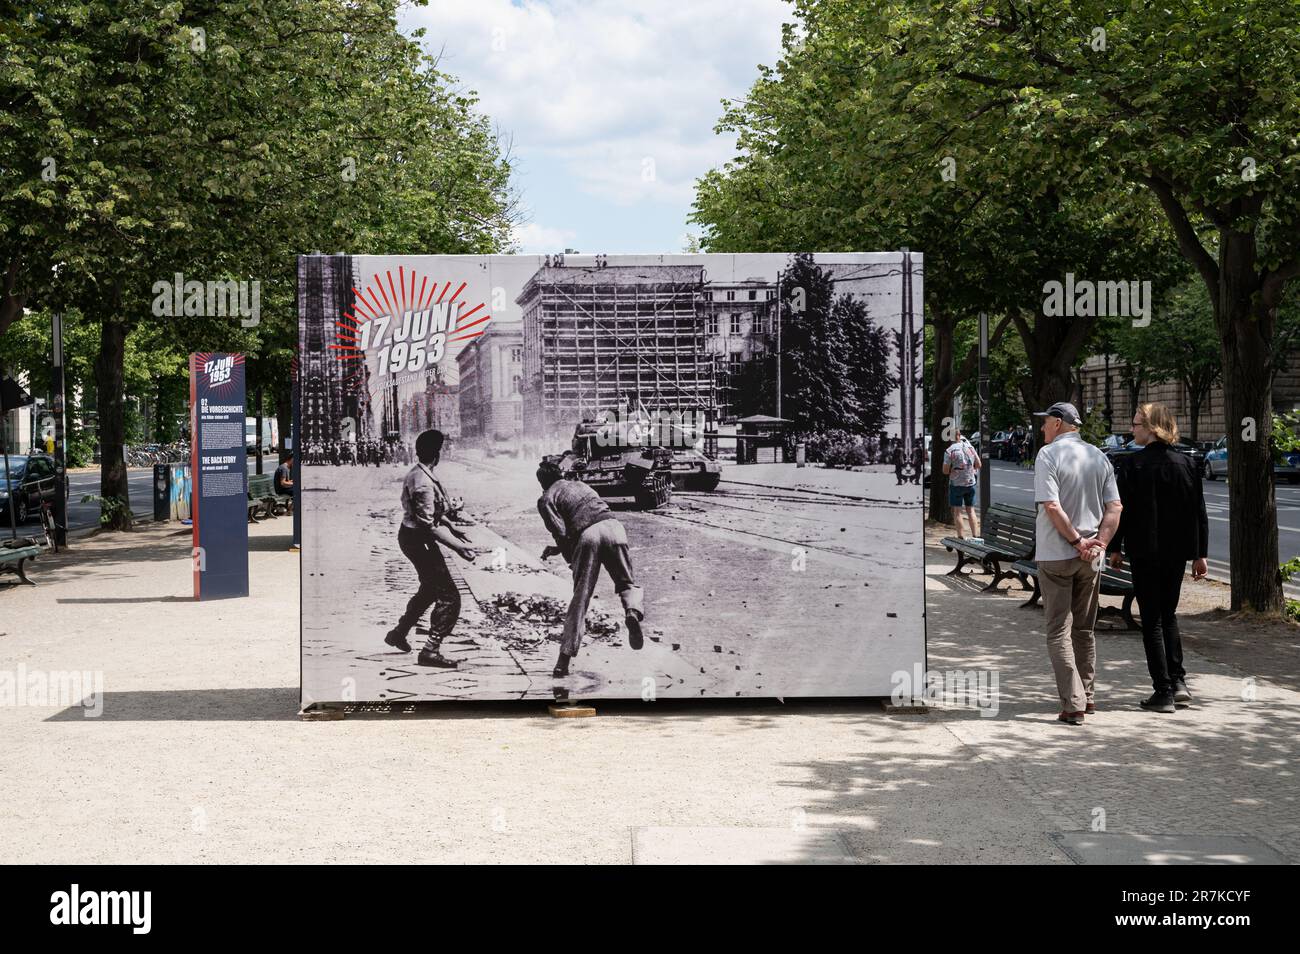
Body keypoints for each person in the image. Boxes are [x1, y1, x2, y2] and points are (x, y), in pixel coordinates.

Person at [1106, 403, 1208, 713]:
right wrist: (1199, 554)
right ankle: (1178, 682)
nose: (1132, 429)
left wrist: (1115, 547)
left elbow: (1122, 511)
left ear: (1152, 428)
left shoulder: (1133, 465)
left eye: (1136, 424)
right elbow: (1198, 513)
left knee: (1151, 619)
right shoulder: (1187, 464)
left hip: (1145, 551)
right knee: (1169, 614)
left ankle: (1162, 690)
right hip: (1176, 552)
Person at [1032, 402, 1123, 726]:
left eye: (1045, 423)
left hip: (1058, 555)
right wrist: (1100, 543)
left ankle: (1073, 704)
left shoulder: (1048, 456)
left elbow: (1053, 506)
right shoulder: (1099, 456)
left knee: (1058, 630)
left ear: (1057, 423)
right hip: (1091, 559)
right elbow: (1115, 506)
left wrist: (1076, 541)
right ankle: (1088, 695)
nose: (1042, 428)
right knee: (1084, 629)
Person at [536, 459, 645, 678]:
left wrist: (571, 561)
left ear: (542, 483)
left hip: (588, 536)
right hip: (614, 527)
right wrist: (559, 549)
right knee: (626, 583)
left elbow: (562, 533)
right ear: (560, 474)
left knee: (581, 598)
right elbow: (589, 514)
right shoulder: (579, 484)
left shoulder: (546, 498)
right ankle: (632, 611)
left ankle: (563, 661)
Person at [384, 429, 478, 668]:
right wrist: (459, 548)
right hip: (418, 541)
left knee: (429, 588)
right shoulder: (424, 482)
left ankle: (399, 633)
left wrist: (452, 527)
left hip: (413, 537)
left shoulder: (420, 473)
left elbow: (431, 515)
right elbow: (428, 526)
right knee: (449, 596)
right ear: (437, 454)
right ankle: (430, 650)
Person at [942, 428, 981, 539]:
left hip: (956, 484)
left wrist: (953, 470)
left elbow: (945, 471)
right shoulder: (970, 448)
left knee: (957, 511)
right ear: (960, 435)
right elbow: (979, 464)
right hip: (970, 483)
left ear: (951, 437)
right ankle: (975, 536)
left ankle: (961, 537)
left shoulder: (950, 451)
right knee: (970, 510)